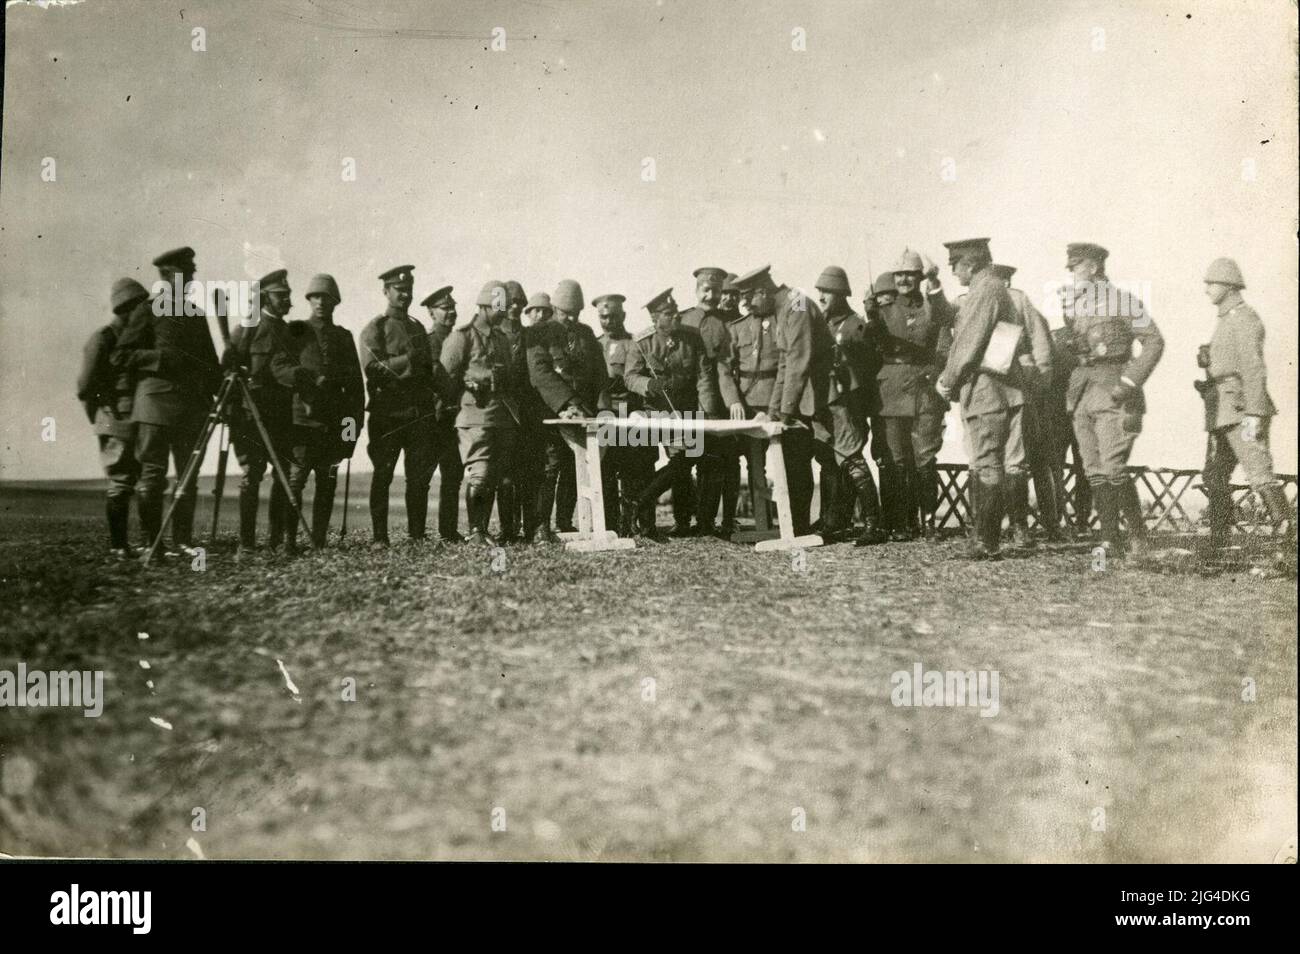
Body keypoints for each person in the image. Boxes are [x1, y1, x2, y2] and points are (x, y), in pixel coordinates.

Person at [111, 246, 220, 556]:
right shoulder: (147, 310)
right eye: (188, 271)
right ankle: (152, 543)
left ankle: (183, 541)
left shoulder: (196, 315)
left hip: (192, 409)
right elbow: (120, 355)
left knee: (189, 477)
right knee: (153, 476)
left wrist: (221, 388)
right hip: (155, 407)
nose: (193, 276)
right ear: (169, 275)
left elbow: (211, 365)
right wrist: (159, 359)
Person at [1060, 243, 1164, 556]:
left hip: (1114, 393)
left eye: (1076, 267)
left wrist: (1130, 382)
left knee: (1114, 466)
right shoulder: (1077, 307)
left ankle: (1138, 537)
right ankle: (1108, 537)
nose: (1071, 273)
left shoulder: (1122, 300)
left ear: (1093, 268)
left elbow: (1154, 341)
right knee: (1093, 468)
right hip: (1082, 394)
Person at [935, 238, 1024, 559]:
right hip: (999, 387)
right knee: (993, 462)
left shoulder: (983, 291)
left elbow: (969, 341)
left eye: (954, 265)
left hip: (986, 389)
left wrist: (947, 380)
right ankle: (987, 538)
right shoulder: (996, 288)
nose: (953, 271)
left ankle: (985, 541)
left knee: (987, 462)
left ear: (969, 264)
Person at [731, 265, 836, 537]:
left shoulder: (796, 303)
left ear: (763, 291)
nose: (747, 307)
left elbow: (798, 364)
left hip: (828, 396)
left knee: (829, 458)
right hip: (807, 397)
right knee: (796, 461)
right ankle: (800, 527)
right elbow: (783, 367)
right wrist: (775, 413)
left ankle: (831, 525)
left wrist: (784, 414)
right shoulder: (782, 309)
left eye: (749, 299)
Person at [1197, 257, 1291, 547]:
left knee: (1259, 472)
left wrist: (1254, 413)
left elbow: (1253, 369)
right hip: (1223, 411)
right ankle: (1218, 543)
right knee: (1214, 477)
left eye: (1211, 284)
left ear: (1228, 285)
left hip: (1241, 411)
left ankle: (1289, 543)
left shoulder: (1245, 319)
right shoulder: (1227, 320)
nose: (1207, 290)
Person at [870, 249, 954, 541]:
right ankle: (903, 523)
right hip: (890, 391)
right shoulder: (882, 311)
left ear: (919, 277)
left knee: (925, 457)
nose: (904, 279)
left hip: (924, 391)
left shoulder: (933, 308)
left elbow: (945, 347)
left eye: (910, 274)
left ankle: (928, 520)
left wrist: (930, 372)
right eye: (899, 274)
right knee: (897, 459)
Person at [622, 289, 718, 536]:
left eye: (676, 310)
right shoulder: (642, 342)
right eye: (669, 313)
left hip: (685, 412)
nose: (676, 315)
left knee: (683, 463)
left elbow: (703, 377)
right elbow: (630, 377)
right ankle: (642, 518)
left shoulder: (692, 338)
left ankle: (682, 522)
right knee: (649, 464)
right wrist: (648, 386)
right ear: (655, 319)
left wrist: (705, 411)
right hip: (654, 412)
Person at [360, 265, 440, 546]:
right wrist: (408, 360)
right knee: (383, 474)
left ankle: (416, 535)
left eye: (408, 290)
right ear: (386, 291)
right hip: (388, 414)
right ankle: (380, 537)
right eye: (399, 290)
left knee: (417, 478)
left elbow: (428, 370)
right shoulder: (376, 328)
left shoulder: (417, 327)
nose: (405, 295)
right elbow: (372, 368)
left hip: (418, 413)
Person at [287, 274, 365, 548]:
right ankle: (287, 542)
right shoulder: (295, 331)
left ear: (335, 302)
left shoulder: (343, 337)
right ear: (309, 300)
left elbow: (356, 390)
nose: (321, 302)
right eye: (316, 296)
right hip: (302, 423)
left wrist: (351, 432)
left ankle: (318, 540)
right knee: (294, 482)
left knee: (327, 483)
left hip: (333, 425)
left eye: (327, 298)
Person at [524, 279, 605, 541]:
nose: (570, 318)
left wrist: (603, 410)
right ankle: (540, 526)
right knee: (550, 466)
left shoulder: (587, 334)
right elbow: (540, 373)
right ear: (554, 307)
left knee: (574, 465)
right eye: (564, 312)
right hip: (551, 412)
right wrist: (566, 404)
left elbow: (599, 376)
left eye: (575, 313)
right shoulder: (538, 333)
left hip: (583, 413)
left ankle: (565, 522)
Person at [441, 281, 522, 545]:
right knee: (480, 473)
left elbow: (510, 377)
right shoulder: (461, 336)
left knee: (497, 475)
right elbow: (445, 379)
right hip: (474, 415)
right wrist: (470, 383)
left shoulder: (502, 339)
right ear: (484, 306)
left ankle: (484, 531)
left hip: (502, 416)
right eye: (498, 306)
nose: (503, 311)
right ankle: (476, 532)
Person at [77, 277, 149, 558]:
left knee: (146, 478)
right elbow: (86, 387)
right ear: (127, 308)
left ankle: (148, 544)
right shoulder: (103, 339)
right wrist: (101, 418)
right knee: (121, 479)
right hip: (114, 418)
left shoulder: (138, 339)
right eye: (140, 308)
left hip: (141, 416)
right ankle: (119, 546)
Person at [815, 265, 886, 545]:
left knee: (852, 458)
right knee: (834, 461)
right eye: (819, 292)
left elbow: (871, 367)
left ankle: (874, 524)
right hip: (826, 402)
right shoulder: (823, 323)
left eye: (827, 292)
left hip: (848, 403)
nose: (821, 297)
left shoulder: (856, 326)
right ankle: (835, 522)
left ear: (841, 294)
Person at [991, 263, 1056, 546]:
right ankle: (992, 524)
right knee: (987, 457)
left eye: (1003, 280)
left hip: (1020, 389)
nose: (1000, 285)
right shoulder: (967, 302)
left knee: (1025, 457)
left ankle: (1027, 525)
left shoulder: (1019, 300)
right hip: (985, 390)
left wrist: (1041, 379)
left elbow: (1040, 342)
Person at [679, 266, 736, 537]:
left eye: (716, 290)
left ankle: (708, 521)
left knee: (716, 461)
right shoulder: (684, 320)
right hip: (688, 399)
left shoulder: (729, 322)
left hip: (721, 402)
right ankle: (683, 520)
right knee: (686, 457)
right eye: (706, 289)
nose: (711, 295)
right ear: (697, 290)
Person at [594, 293, 657, 534]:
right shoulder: (595, 345)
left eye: (613, 316)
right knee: (607, 469)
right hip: (605, 414)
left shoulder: (636, 343)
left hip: (633, 413)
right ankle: (611, 526)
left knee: (640, 469)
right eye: (603, 317)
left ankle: (645, 524)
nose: (608, 321)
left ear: (624, 315)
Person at [422, 285, 465, 542]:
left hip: (456, 418)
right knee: (423, 476)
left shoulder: (462, 340)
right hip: (432, 419)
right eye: (444, 308)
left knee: (453, 476)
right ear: (431, 312)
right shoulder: (427, 343)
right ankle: (416, 532)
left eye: (453, 307)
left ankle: (448, 530)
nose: (451, 312)